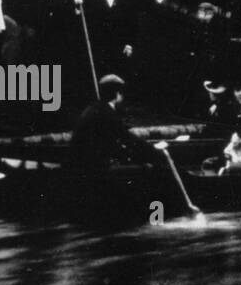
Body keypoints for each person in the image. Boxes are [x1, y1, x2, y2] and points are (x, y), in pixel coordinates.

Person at [69, 73, 200, 215]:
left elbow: (115, 141)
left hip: (83, 166)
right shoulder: (106, 114)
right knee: (153, 171)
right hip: (92, 170)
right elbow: (127, 139)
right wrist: (154, 151)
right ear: (118, 93)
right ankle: (164, 210)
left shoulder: (93, 110)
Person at [73, 0, 138, 80]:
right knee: (98, 74)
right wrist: (78, 5)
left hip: (119, 44)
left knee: (118, 74)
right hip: (98, 43)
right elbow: (82, 15)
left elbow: (132, 21)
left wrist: (129, 44)